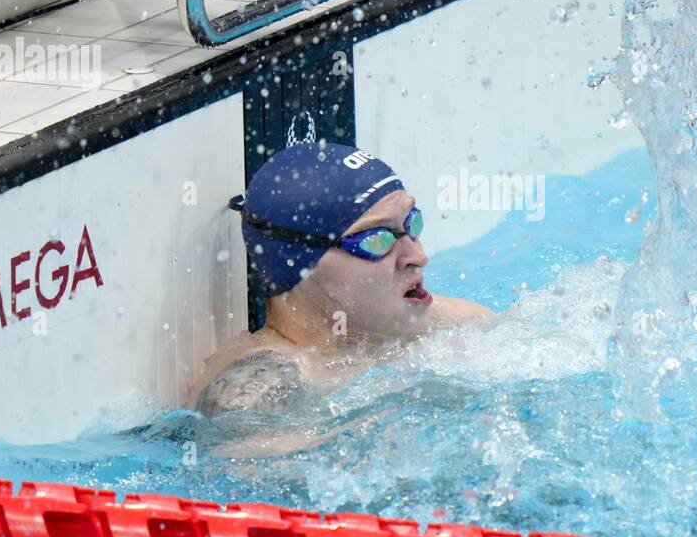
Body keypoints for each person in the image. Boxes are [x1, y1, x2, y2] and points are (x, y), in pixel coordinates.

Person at [188, 141, 493, 419]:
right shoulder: (257, 390)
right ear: (300, 267)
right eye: (377, 239)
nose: (417, 255)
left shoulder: (457, 323)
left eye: (412, 222)